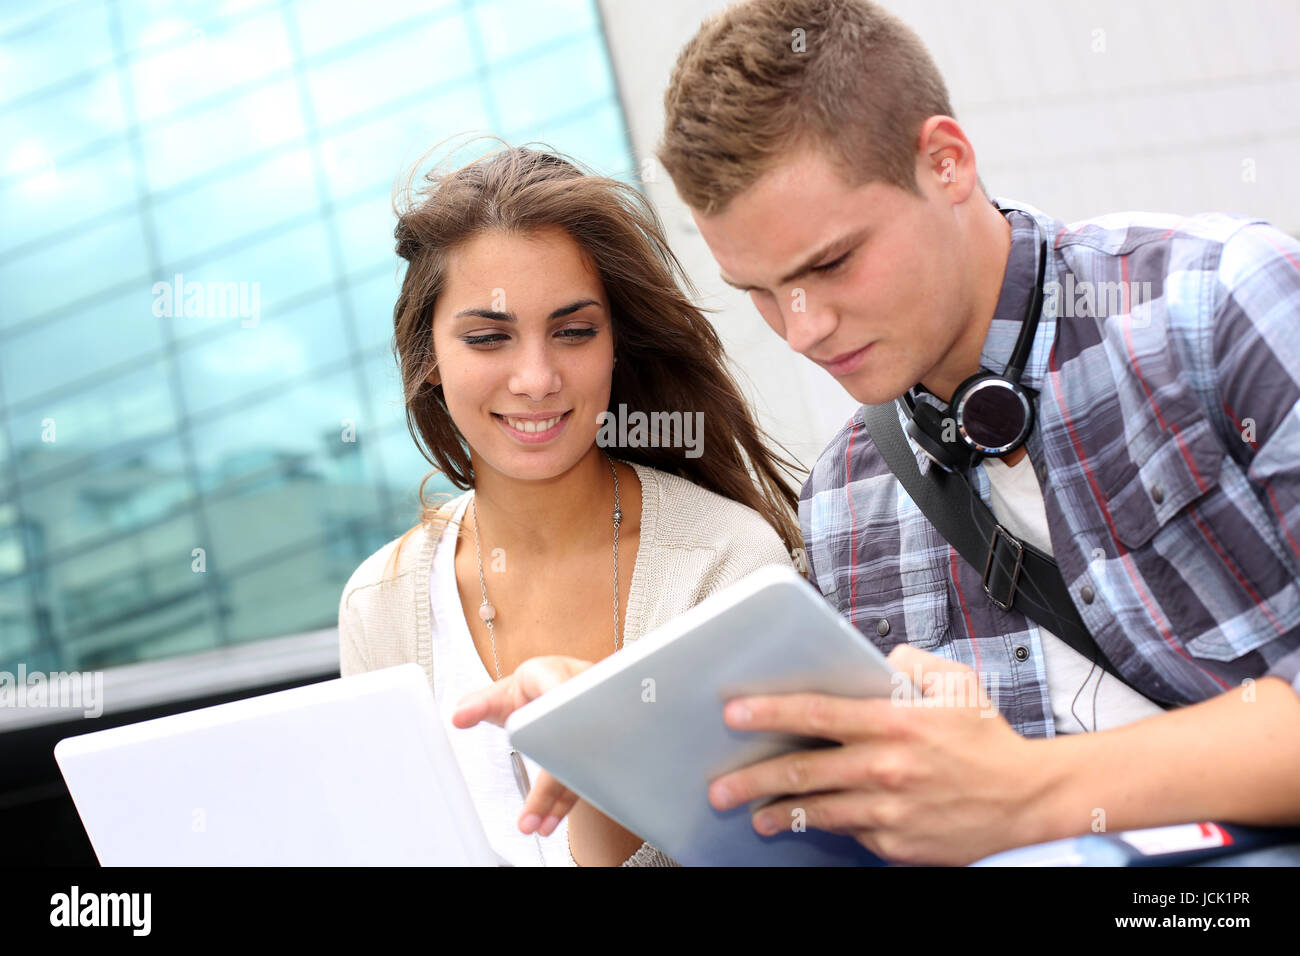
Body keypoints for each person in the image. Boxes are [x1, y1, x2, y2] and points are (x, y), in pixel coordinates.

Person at [637, 0, 1300, 865]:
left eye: (830, 263)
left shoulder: (1219, 306)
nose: (801, 330)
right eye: (759, 290)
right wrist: (648, 743)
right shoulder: (842, 497)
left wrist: (1028, 792)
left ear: (946, 162)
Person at [335, 141, 803, 867]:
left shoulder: (726, 566)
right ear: (428, 357)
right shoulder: (380, 605)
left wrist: (599, 745)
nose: (536, 377)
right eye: (489, 337)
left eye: (574, 331)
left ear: (617, 343)